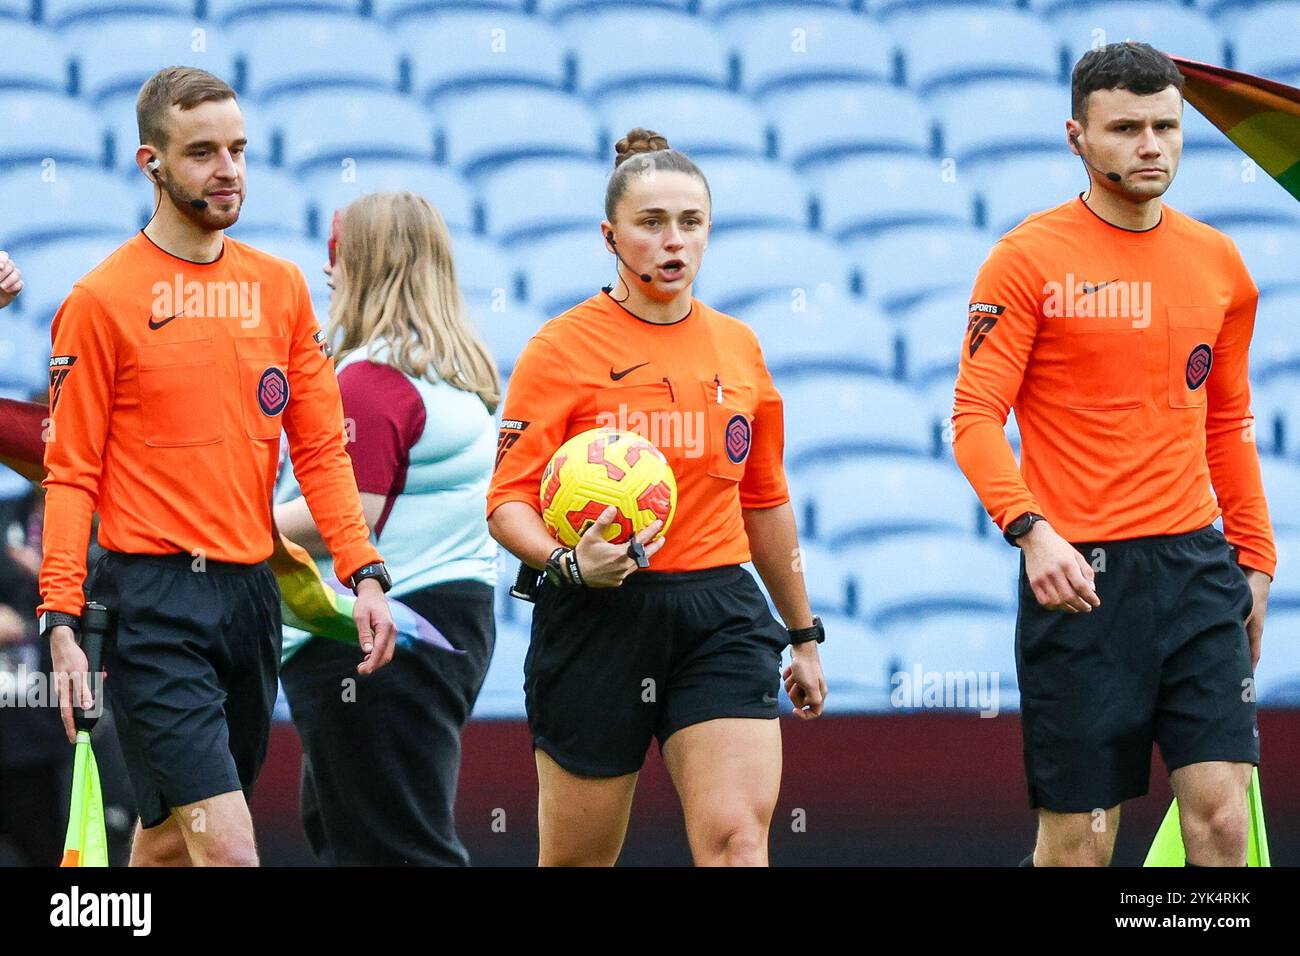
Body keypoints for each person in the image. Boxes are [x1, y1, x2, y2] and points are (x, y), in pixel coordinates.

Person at [37, 66, 396, 868]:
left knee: (168, 843)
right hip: (152, 603)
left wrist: (365, 570)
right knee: (229, 849)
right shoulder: (100, 301)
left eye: (237, 148)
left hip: (249, 594)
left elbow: (321, 449)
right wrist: (61, 618)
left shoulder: (279, 287)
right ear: (151, 163)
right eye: (202, 152)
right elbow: (70, 472)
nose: (228, 168)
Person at [952, 42, 1274, 867]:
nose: (1151, 145)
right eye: (1126, 128)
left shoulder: (1219, 263)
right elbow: (974, 417)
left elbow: (1229, 418)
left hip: (1197, 569)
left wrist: (1257, 558)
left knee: (1222, 819)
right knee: (1079, 844)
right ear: (1077, 137)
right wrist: (1030, 531)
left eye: (1165, 126)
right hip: (1082, 581)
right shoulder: (1027, 259)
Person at [487, 128, 827, 867]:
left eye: (690, 223)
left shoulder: (739, 347)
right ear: (610, 236)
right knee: (580, 858)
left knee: (737, 841)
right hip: (596, 616)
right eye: (651, 224)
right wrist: (570, 562)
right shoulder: (560, 348)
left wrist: (802, 635)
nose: (673, 242)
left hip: (720, 618)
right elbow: (507, 503)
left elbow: (764, 499)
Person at [273, 192, 500, 866]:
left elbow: (341, 517)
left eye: (337, 256)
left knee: (395, 848)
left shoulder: (370, 382)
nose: (326, 272)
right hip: (440, 621)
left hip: (373, 634)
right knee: (360, 832)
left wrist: (221, 522)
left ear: (363, 266)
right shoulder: (451, 372)